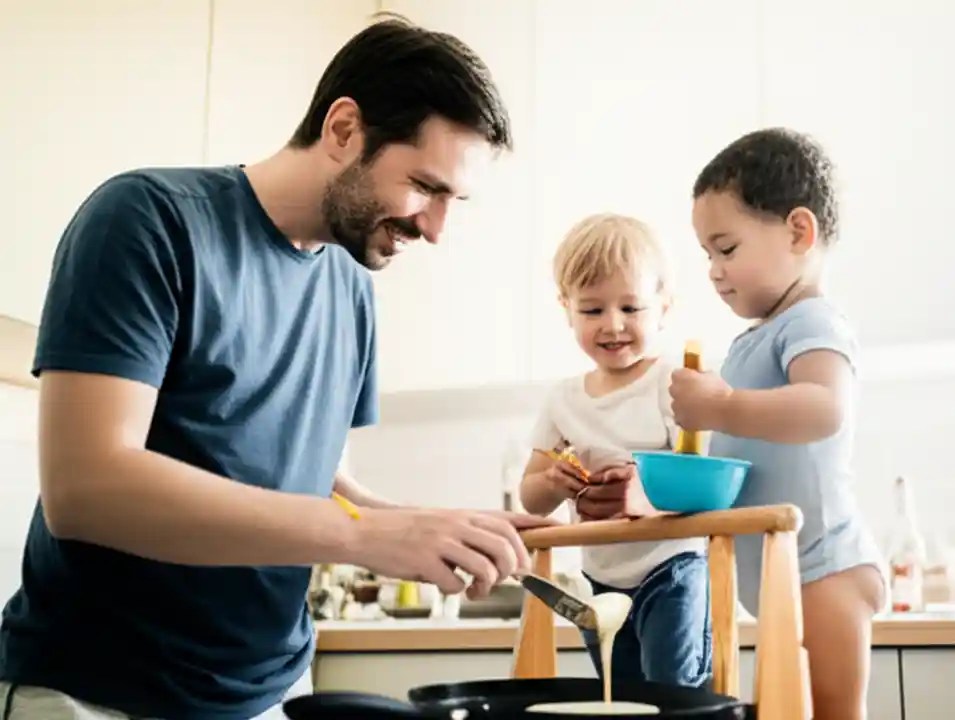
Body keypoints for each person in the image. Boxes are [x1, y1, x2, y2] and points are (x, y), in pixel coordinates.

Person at [0, 14, 552, 720]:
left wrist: (437, 523)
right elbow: (87, 488)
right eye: (425, 186)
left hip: (272, 691)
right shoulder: (148, 220)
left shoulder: (351, 287)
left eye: (454, 201)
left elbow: (318, 480)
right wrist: (364, 536)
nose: (437, 228)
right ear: (344, 129)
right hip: (96, 695)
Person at [670, 127, 888, 720]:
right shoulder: (756, 338)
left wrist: (719, 407)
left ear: (798, 231)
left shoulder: (812, 319)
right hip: (781, 578)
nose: (714, 271)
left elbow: (823, 406)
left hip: (823, 568)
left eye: (727, 248)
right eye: (707, 255)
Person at [519, 213, 711, 689]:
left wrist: (641, 495)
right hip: (599, 581)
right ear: (566, 309)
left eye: (632, 307)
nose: (613, 325)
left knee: (673, 691)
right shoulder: (563, 399)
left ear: (664, 306)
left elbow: (700, 480)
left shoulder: (672, 382)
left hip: (671, 568)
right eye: (591, 311)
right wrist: (551, 482)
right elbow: (531, 496)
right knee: (618, 695)